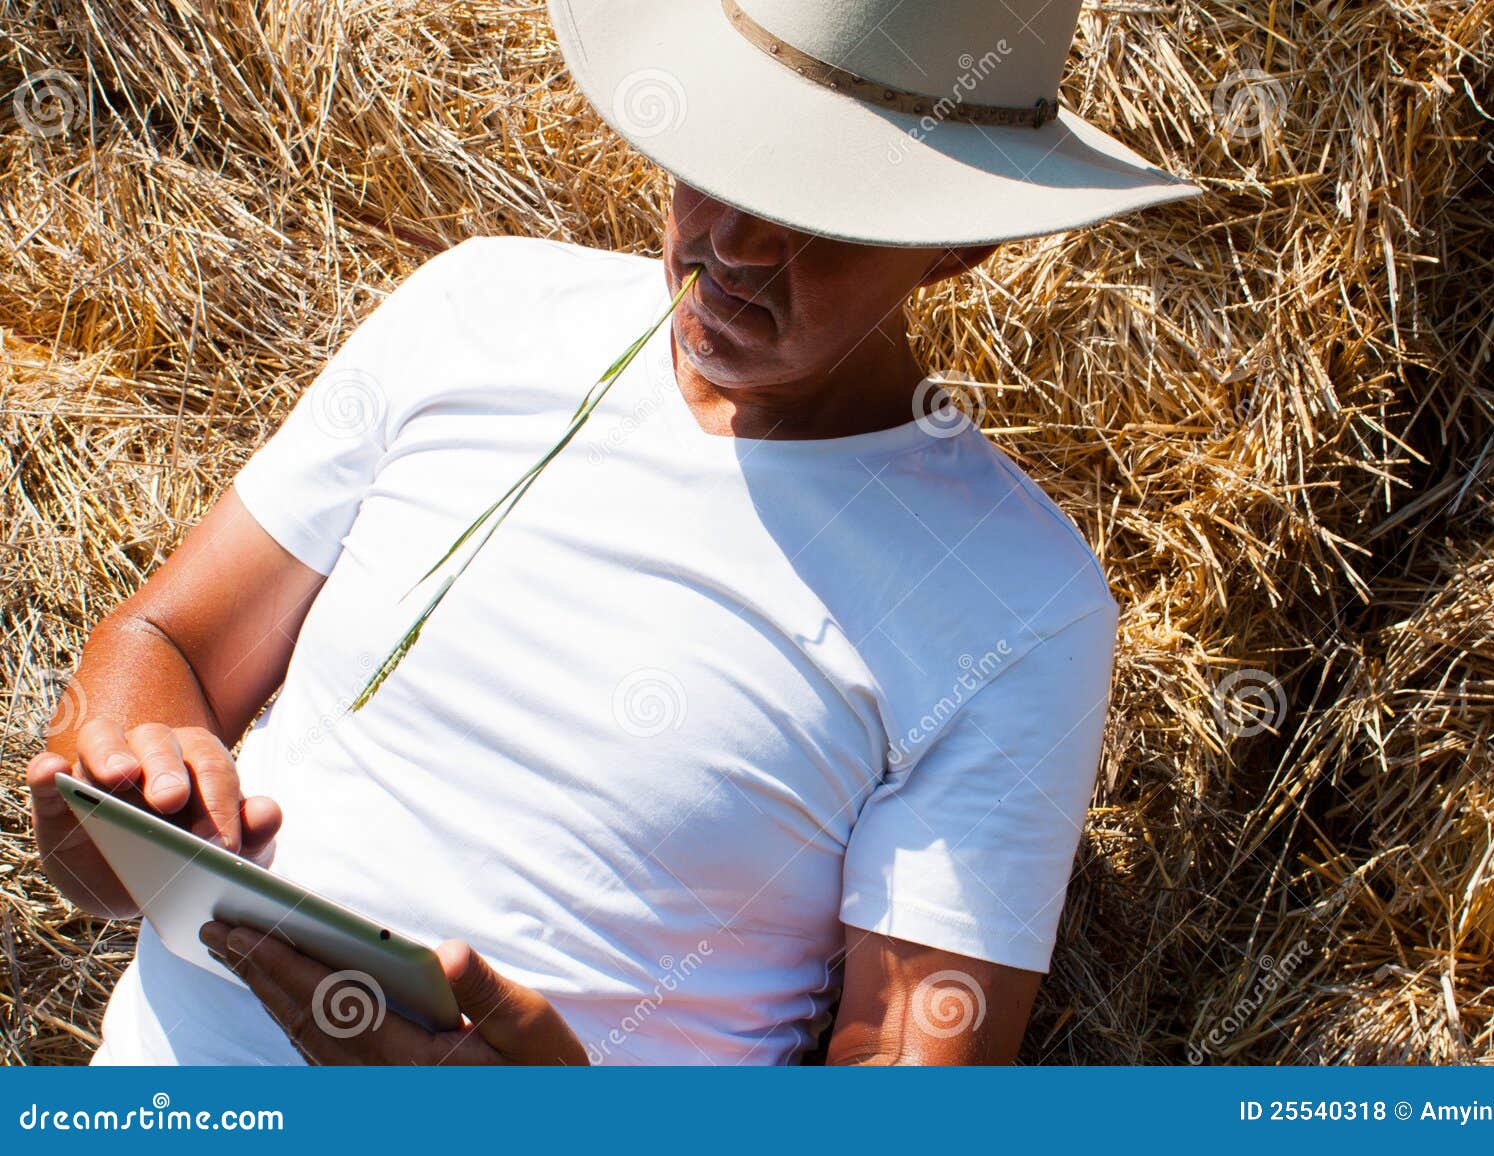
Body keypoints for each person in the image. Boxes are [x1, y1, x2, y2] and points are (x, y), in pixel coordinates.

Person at [27, 0, 1199, 1064]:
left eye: (817, 217)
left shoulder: (1013, 601)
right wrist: (128, 779)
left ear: (961, 242)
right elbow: (169, 642)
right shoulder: (476, 312)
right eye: (718, 169)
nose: (734, 248)